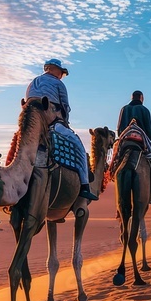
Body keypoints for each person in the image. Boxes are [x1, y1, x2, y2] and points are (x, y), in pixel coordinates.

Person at [25, 58, 98, 201]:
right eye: (60, 72)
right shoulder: (58, 84)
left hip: (30, 125)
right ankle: (84, 185)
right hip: (52, 123)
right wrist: (65, 122)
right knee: (79, 147)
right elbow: (65, 107)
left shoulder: (32, 82)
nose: (61, 75)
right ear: (53, 69)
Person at [117, 90, 151, 155]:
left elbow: (119, 128)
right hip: (141, 141)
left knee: (116, 158)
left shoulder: (124, 109)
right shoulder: (144, 109)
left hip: (125, 139)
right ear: (141, 97)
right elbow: (149, 129)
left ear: (132, 98)